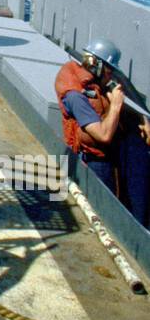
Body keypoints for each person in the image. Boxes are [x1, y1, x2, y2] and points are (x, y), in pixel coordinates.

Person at [55, 37, 150, 228]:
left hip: (110, 155)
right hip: (94, 162)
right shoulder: (76, 96)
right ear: (97, 65)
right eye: (110, 70)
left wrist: (142, 120)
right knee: (107, 214)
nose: (112, 75)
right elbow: (103, 135)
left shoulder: (92, 81)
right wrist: (115, 105)